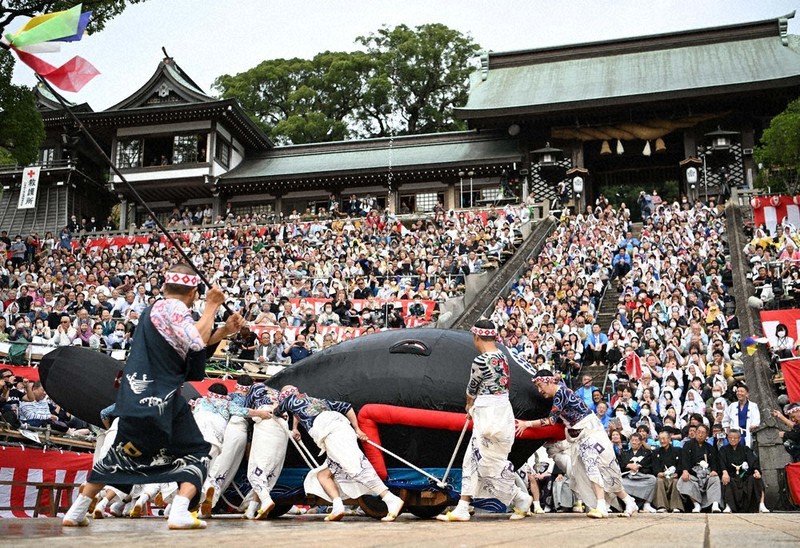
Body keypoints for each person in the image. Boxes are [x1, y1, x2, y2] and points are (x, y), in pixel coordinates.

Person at [62, 265, 249, 530]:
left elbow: (187, 348)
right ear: (194, 292)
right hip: (162, 398)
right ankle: (180, 511)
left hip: (136, 398)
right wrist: (212, 306)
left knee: (120, 454)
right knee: (197, 451)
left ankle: (77, 510)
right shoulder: (174, 308)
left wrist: (222, 332)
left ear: (164, 286)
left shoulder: (157, 311)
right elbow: (195, 341)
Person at [437, 320, 531, 522]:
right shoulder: (503, 357)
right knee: (472, 460)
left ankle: (520, 498)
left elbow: (471, 389)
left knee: (488, 464)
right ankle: (463, 506)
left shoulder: (481, 361)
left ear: (476, 337)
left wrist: (469, 406)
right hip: (502, 411)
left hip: (488, 414)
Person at [517, 369, 639, 518]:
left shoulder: (560, 394)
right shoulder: (561, 391)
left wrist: (527, 424)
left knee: (594, 467)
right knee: (600, 470)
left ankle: (601, 506)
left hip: (590, 433)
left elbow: (551, 421)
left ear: (549, 382)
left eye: (540, 385)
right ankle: (628, 501)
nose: (539, 390)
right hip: (579, 437)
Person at [274, 385, 404, 522]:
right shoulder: (318, 401)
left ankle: (390, 499)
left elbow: (278, 411)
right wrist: (357, 429)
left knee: (356, 467)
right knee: (323, 475)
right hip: (339, 428)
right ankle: (338, 507)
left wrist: (273, 410)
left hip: (333, 433)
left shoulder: (289, 400)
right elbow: (345, 406)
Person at [242, 382, 292, 520]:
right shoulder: (281, 396)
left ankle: (266, 500)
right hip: (283, 427)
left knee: (255, 472)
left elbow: (245, 410)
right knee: (268, 472)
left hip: (266, 421)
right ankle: (251, 510)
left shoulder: (256, 387)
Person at [718, 428, 768, 513]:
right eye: (730, 437)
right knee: (727, 480)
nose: (733, 439)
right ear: (727, 438)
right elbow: (721, 462)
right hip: (731, 475)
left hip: (744, 476)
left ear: (739, 438)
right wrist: (724, 472)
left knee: (756, 479)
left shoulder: (746, 449)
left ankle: (761, 504)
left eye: (735, 437)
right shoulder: (723, 449)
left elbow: (752, 461)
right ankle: (728, 505)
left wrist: (756, 470)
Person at [677, 424, 723, 513]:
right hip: (693, 472)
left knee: (715, 479)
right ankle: (696, 504)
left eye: (703, 433)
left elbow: (714, 461)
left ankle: (715, 504)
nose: (700, 435)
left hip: (707, 472)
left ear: (706, 435)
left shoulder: (710, 447)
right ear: (695, 433)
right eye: (699, 432)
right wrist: (685, 471)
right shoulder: (688, 444)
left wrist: (714, 470)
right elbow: (684, 458)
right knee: (684, 481)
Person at [618, 433, 658, 513]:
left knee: (653, 480)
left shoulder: (647, 453)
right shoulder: (625, 453)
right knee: (619, 483)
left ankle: (647, 504)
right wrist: (628, 465)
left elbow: (649, 465)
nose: (634, 442)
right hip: (628, 477)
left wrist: (639, 465)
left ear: (640, 442)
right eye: (632, 440)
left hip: (641, 477)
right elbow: (621, 464)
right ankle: (628, 502)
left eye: (636, 440)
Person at [652, 430, 683, 512]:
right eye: (660, 439)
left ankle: (676, 506)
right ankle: (662, 506)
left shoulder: (678, 450)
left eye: (664, 439)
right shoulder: (656, 452)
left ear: (669, 439)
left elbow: (681, 464)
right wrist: (658, 473)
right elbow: (655, 466)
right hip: (663, 476)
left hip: (674, 476)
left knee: (676, 481)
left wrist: (677, 473)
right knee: (659, 481)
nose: (662, 441)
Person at [519, 446, 554, 514]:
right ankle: (526, 506)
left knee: (535, 478)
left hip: (545, 473)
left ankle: (538, 505)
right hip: (519, 468)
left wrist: (543, 474)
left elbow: (554, 464)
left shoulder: (551, 448)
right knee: (528, 478)